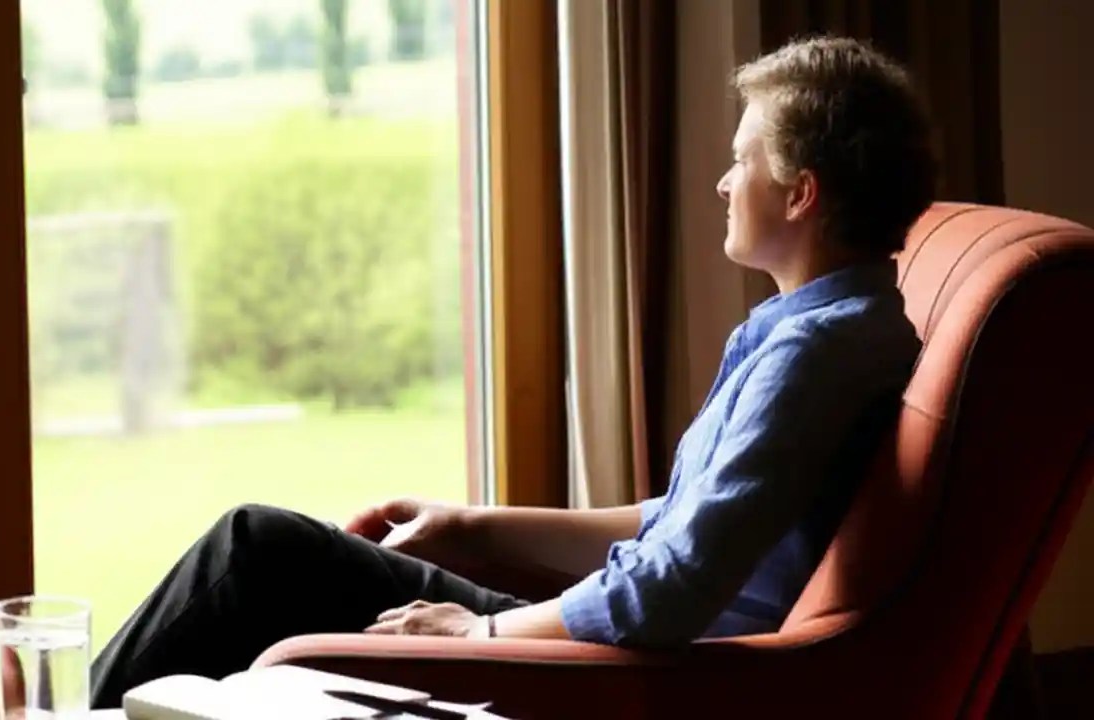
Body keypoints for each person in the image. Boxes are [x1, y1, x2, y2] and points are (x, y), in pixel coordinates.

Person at [89, 35, 934, 708]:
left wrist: (476, 639)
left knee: (255, 556)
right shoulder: (826, 329)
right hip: (639, 642)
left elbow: (670, 590)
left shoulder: (813, 354)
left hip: (651, 675)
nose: (720, 181)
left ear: (800, 194)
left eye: (742, 160)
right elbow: (680, 523)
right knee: (266, 558)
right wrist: (476, 524)